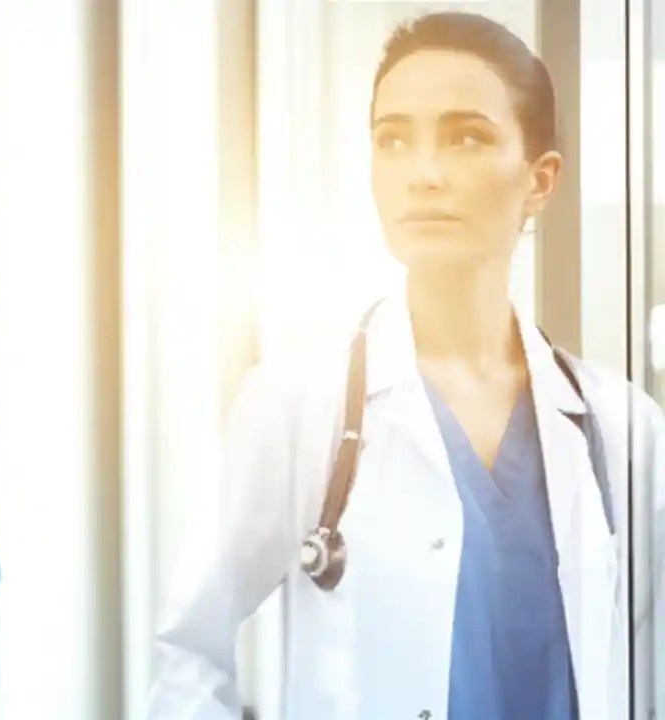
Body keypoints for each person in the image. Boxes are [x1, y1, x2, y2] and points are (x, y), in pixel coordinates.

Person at [147, 11, 660, 719]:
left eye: (467, 137)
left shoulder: (621, 427)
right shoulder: (301, 406)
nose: (423, 173)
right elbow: (188, 650)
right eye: (393, 140)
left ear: (540, 181)